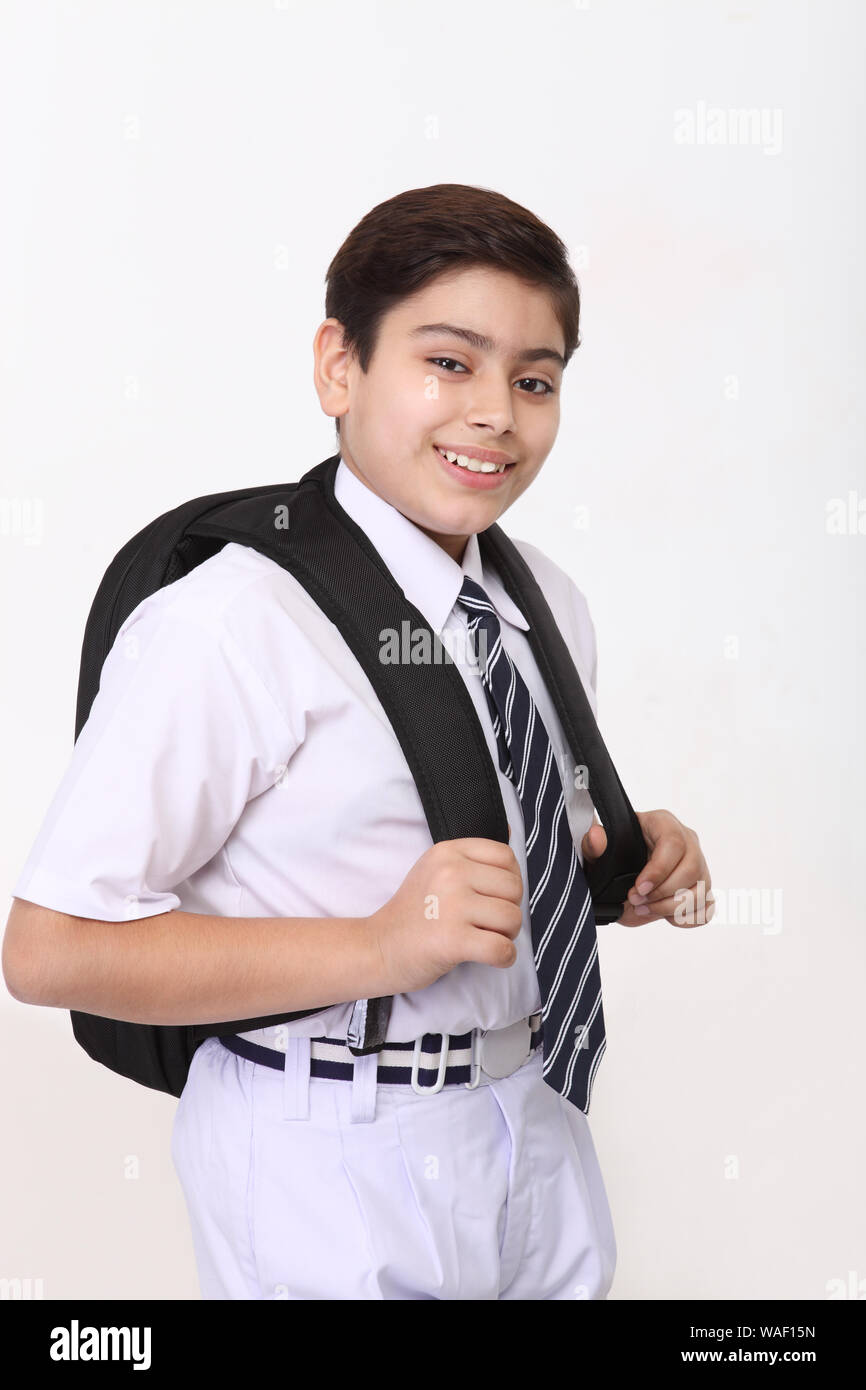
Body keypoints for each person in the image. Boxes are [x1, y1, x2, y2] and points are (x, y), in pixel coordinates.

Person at [2, 183, 714, 1300]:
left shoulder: (545, 604)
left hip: (534, 1117)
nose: (494, 412)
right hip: (326, 1147)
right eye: (448, 362)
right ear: (339, 367)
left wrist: (613, 860)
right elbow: (49, 948)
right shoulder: (233, 622)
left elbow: (485, 846)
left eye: (534, 379)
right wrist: (379, 946)